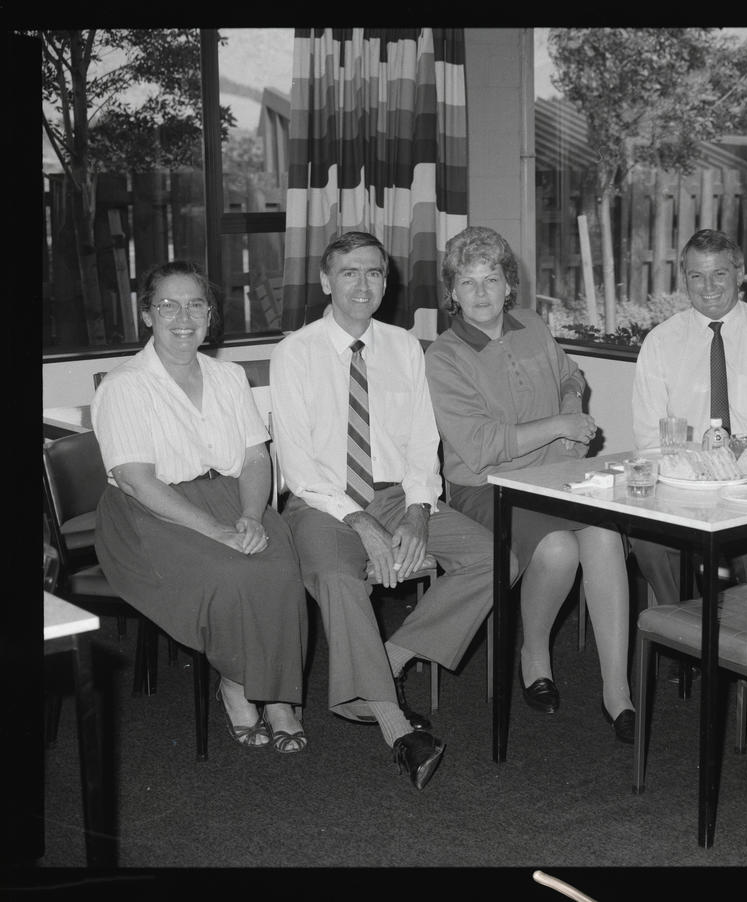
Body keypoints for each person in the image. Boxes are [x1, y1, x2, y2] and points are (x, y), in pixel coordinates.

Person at [270, 230, 499, 789]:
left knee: (494, 558)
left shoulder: (403, 346)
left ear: (386, 282)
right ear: (326, 281)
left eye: (374, 272)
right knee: (338, 578)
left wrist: (420, 510)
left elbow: (424, 443)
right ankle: (397, 728)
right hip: (321, 502)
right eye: (349, 272)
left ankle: (381, 671)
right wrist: (360, 520)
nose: (363, 283)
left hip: (400, 495)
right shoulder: (294, 352)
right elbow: (298, 465)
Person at [424, 226, 636, 743]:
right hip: (487, 487)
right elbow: (480, 444)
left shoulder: (533, 326)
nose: (480, 292)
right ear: (452, 291)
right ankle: (533, 653)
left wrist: (570, 409)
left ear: (508, 285)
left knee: (606, 537)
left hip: (553, 478)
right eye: (468, 282)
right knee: (560, 551)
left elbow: (571, 377)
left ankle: (618, 692)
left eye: (491, 279)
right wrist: (561, 427)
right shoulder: (444, 356)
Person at [93, 261, 308, 753]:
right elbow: (135, 480)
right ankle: (237, 682)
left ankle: (276, 696)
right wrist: (218, 531)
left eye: (195, 304)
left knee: (278, 567)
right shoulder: (124, 385)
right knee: (233, 575)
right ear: (147, 315)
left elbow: (256, 457)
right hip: (149, 512)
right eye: (167, 305)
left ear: (210, 315)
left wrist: (251, 517)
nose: (182, 316)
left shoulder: (229, 376)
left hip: (234, 496)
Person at [630, 228, 747, 611]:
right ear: (685, 279)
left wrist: (737, 458)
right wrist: (699, 465)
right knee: (650, 543)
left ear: (740, 274)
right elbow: (649, 438)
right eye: (696, 275)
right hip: (683, 489)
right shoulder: (660, 342)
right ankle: (686, 639)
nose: (708, 286)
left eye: (719, 274)